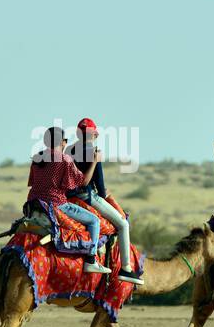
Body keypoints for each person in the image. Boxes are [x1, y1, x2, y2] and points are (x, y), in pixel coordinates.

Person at [66, 117, 141, 285]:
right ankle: (126, 269)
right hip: (87, 196)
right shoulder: (93, 151)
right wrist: (104, 193)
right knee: (123, 224)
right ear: (95, 134)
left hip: (69, 197)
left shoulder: (69, 150)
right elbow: (99, 186)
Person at [28, 126, 110, 274]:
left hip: (33, 204)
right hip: (56, 204)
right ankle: (91, 260)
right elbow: (83, 182)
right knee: (94, 221)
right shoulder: (65, 159)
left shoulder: (36, 158)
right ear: (63, 142)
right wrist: (94, 162)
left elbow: (33, 182)